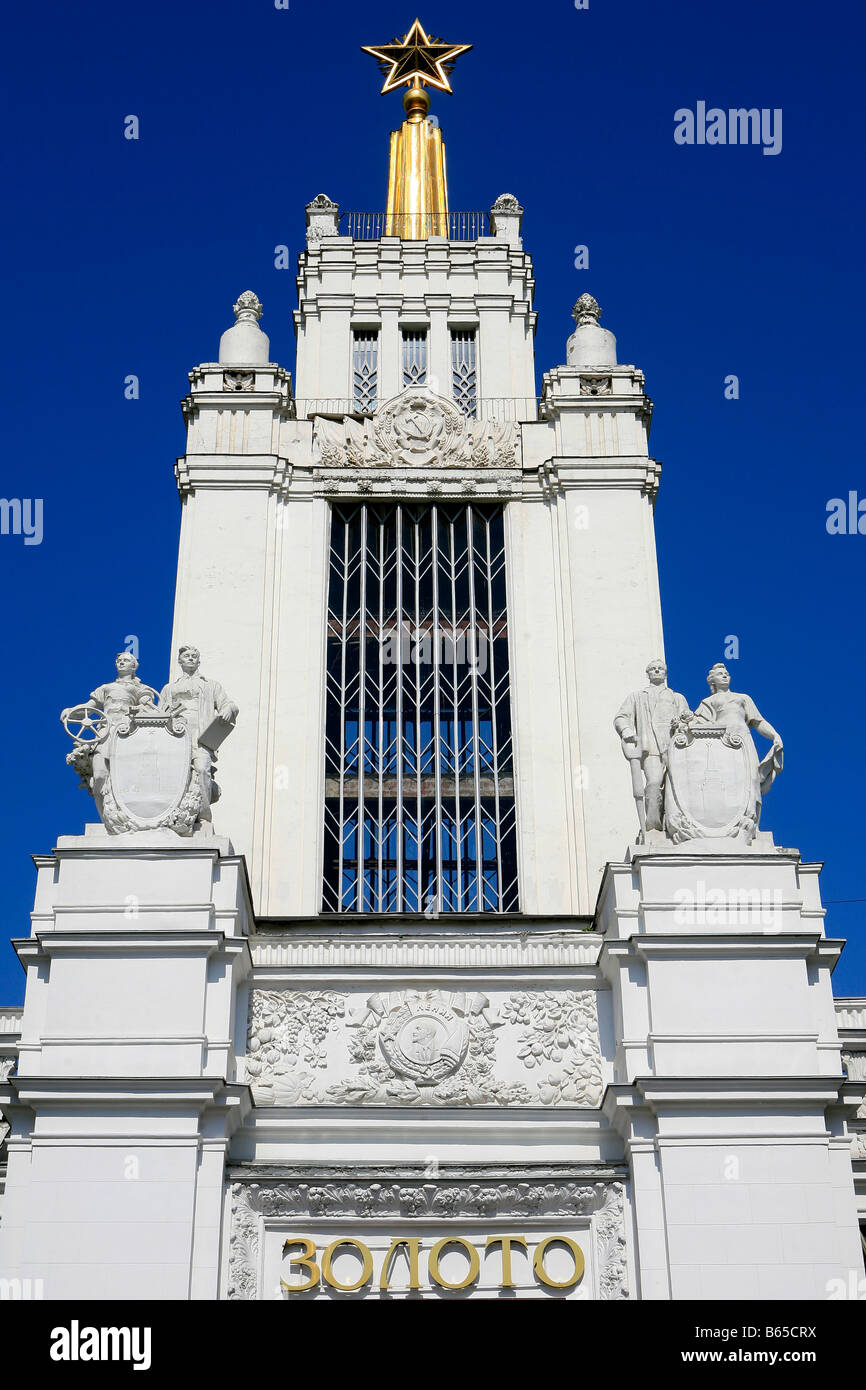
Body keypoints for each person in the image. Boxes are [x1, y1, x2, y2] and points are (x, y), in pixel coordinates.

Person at [60, 652, 158, 813]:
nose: (121, 662)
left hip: (128, 732)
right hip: (105, 732)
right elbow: (89, 707)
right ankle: (105, 815)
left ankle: (125, 812)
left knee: (128, 777)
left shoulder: (140, 688)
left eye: (126, 660)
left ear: (134, 666)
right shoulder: (106, 688)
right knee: (99, 775)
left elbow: (146, 705)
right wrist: (71, 711)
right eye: (119, 660)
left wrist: (144, 702)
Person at [159, 645, 238, 822]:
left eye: (194, 656)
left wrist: (228, 710)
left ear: (198, 661)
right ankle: (174, 815)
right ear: (179, 661)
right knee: (175, 775)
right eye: (186, 656)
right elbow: (159, 716)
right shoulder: (169, 688)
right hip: (176, 737)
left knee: (202, 769)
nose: (190, 658)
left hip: (201, 737)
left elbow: (229, 704)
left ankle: (203, 814)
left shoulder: (210, 685)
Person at [614, 660, 690, 835]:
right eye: (653, 669)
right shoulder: (637, 696)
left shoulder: (677, 697)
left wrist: (682, 725)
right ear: (647, 674)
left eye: (660, 669)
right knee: (654, 783)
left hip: (674, 748)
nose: (657, 671)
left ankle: (675, 825)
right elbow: (621, 717)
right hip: (650, 748)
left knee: (677, 787)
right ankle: (653, 826)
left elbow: (687, 722)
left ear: (665, 674)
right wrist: (626, 731)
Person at [690, 662, 783, 805]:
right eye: (720, 674)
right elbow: (698, 724)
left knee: (751, 777)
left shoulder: (742, 698)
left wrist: (774, 735)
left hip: (743, 739)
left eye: (726, 674)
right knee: (727, 779)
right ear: (712, 680)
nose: (725, 676)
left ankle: (749, 812)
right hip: (722, 742)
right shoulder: (708, 701)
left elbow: (758, 722)